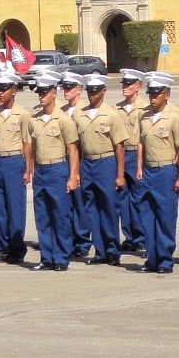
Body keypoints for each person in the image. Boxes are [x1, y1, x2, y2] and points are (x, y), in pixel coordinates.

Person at [72, 74, 127, 266]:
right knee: (91, 209)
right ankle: (99, 250)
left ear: (103, 91)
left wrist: (120, 174)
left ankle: (112, 250)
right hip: (87, 163)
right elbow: (76, 146)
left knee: (110, 208)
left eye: (95, 91)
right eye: (89, 91)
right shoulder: (80, 115)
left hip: (106, 162)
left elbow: (119, 147)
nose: (91, 95)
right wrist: (76, 171)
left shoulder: (112, 114)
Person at [136, 72, 179, 274]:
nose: (152, 97)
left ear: (166, 95)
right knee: (147, 217)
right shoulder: (145, 116)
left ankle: (165, 260)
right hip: (148, 170)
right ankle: (152, 258)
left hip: (166, 170)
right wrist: (139, 167)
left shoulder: (174, 117)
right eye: (150, 93)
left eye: (156, 93)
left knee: (165, 217)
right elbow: (141, 142)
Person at [28, 73, 80, 271]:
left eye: (44, 92)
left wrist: (73, 175)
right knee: (42, 215)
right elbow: (32, 147)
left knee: (60, 214)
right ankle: (46, 256)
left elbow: (73, 149)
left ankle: (61, 257)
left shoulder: (63, 119)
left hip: (57, 168)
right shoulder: (35, 119)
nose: (41, 96)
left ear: (53, 92)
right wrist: (31, 169)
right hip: (41, 169)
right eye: (39, 92)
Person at [0, 74, 33, 264]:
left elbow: (26, 143)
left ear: (14, 91)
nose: (0, 93)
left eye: (4, 89)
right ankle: (2, 246)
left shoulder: (22, 114)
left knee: (15, 208)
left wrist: (28, 169)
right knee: (0, 208)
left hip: (14, 161)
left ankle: (17, 248)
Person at [115, 69, 148, 253]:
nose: (125, 87)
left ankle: (141, 236)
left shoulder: (144, 108)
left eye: (129, 84)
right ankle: (129, 236)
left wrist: (140, 163)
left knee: (138, 197)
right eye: (124, 84)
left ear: (138, 86)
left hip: (137, 154)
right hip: (121, 154)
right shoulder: (117, 108)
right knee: (123, 198)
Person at [59, 72, 91, 259]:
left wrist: (76, 170)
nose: (66, 91)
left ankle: (82, 240)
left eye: (70, 88)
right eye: (64, 87)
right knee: (66, 203)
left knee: (80, 203)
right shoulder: (62, 111)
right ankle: (68, 238)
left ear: (79, 90)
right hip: (62, 160)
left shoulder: (84, 110)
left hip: (78, 160)